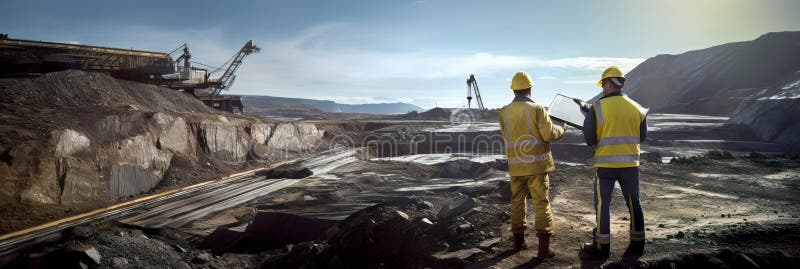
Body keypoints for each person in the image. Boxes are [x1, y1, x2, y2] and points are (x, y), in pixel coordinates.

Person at [576, 66, 648, 259]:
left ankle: (602, 246)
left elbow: (590, 139)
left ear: (608, 84)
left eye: (603, 84)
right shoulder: (637, 108)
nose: (602, 88)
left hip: (606, 167)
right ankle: (638, 243)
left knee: (602, 205)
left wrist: (589, 118)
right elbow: (642, 136)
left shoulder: (597, 107)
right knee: (634, 203)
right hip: (631, 166)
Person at [498, 71, 565, 260]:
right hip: (536, 166)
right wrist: (562, 129)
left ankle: (518, 243)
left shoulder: (504, 112)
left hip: (516, 166)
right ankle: (544, 250)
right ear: (530, 88)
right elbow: (549, 134)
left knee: (517, 202)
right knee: (541, 203)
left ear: (514, 90)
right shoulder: (537, 109)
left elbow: (507, 136)